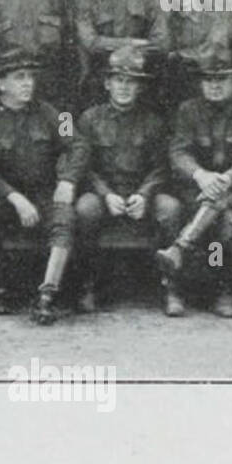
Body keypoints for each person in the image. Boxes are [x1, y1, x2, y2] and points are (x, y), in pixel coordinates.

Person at [155, 43, 232, 318]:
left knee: (225, 217)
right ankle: (175, 289)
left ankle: (222, 286)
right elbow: (178, 152)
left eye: (222, 79)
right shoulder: (188, 110)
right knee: (171, 210)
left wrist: (225, 179)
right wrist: (201, 175)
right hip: (196, 187)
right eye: (208, 80)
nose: (214, 86)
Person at [66, 45, 182, 315]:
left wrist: (145, 194)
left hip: (142, 195)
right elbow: (84, 166)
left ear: (140, 87)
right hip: (105, 193)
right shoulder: (89, 119)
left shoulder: (153, 122)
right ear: (107, 84)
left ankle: (171, 287)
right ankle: (88, 284)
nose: (124, 87)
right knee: (84, 209)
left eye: (131, 82)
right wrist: (105, 194)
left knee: (171, 209)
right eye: (118, 80)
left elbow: (162, 167)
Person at [0, 48, 80, 325]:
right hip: (6, 195)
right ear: (1, 84)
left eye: (30, 77)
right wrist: (15, 198)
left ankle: (48, 294)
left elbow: (77, 144)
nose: (27, 83)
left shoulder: (50, 113)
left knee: (65, 216)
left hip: (43, 192)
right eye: (19, 77)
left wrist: (68, 180)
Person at [148, 0, 232, 115]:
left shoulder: (215, 17)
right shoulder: (167, 19)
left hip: (207, 87)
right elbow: (160, 48)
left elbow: (211, 51)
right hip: (172, 90)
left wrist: (177, 55)